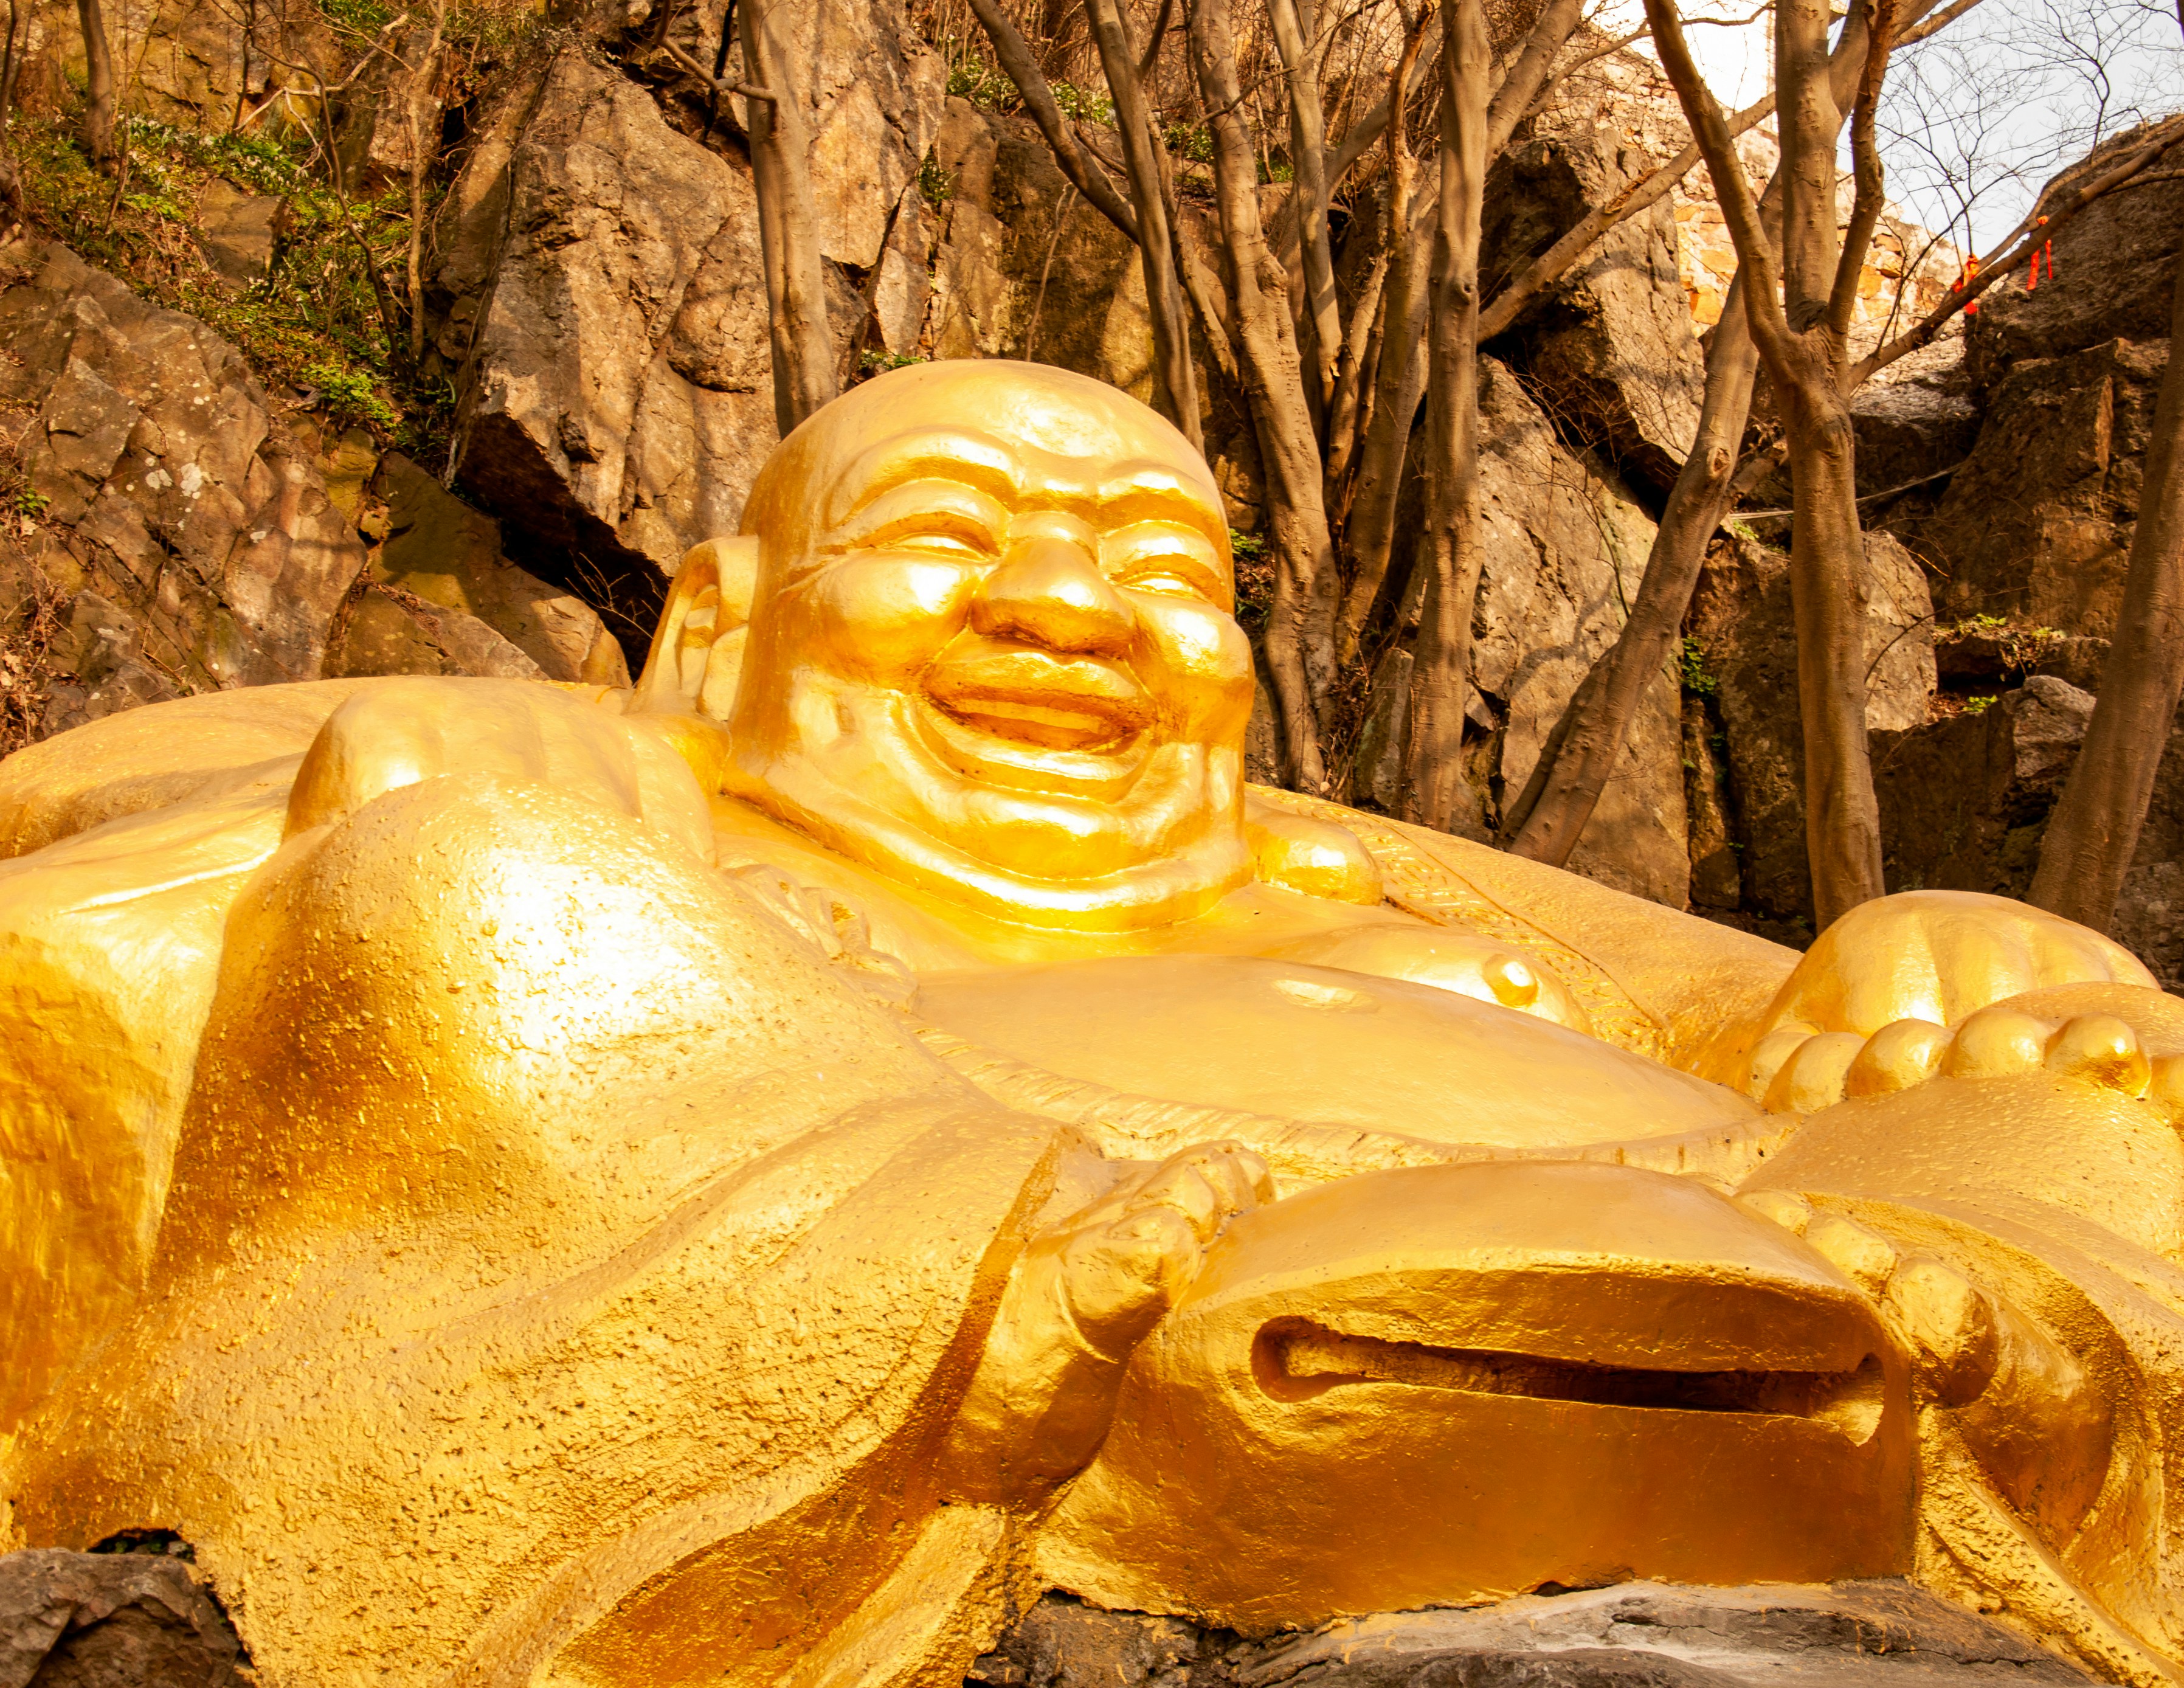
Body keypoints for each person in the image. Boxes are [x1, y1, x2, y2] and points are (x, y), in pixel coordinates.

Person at [2, 362, 2179, 1687]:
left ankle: (1958, 1359)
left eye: (1161, 568)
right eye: (950, 539)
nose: (1065, 609)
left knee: (2089, 1110)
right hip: (926, 1202)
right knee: (480, 908)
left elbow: (1745, 1002)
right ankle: (1028, 1327)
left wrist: (1961, 940)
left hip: (1740, 1233)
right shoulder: (598, 766)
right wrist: (411, 745)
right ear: (722, 624)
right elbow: (64, 857)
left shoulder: (1356, 871)